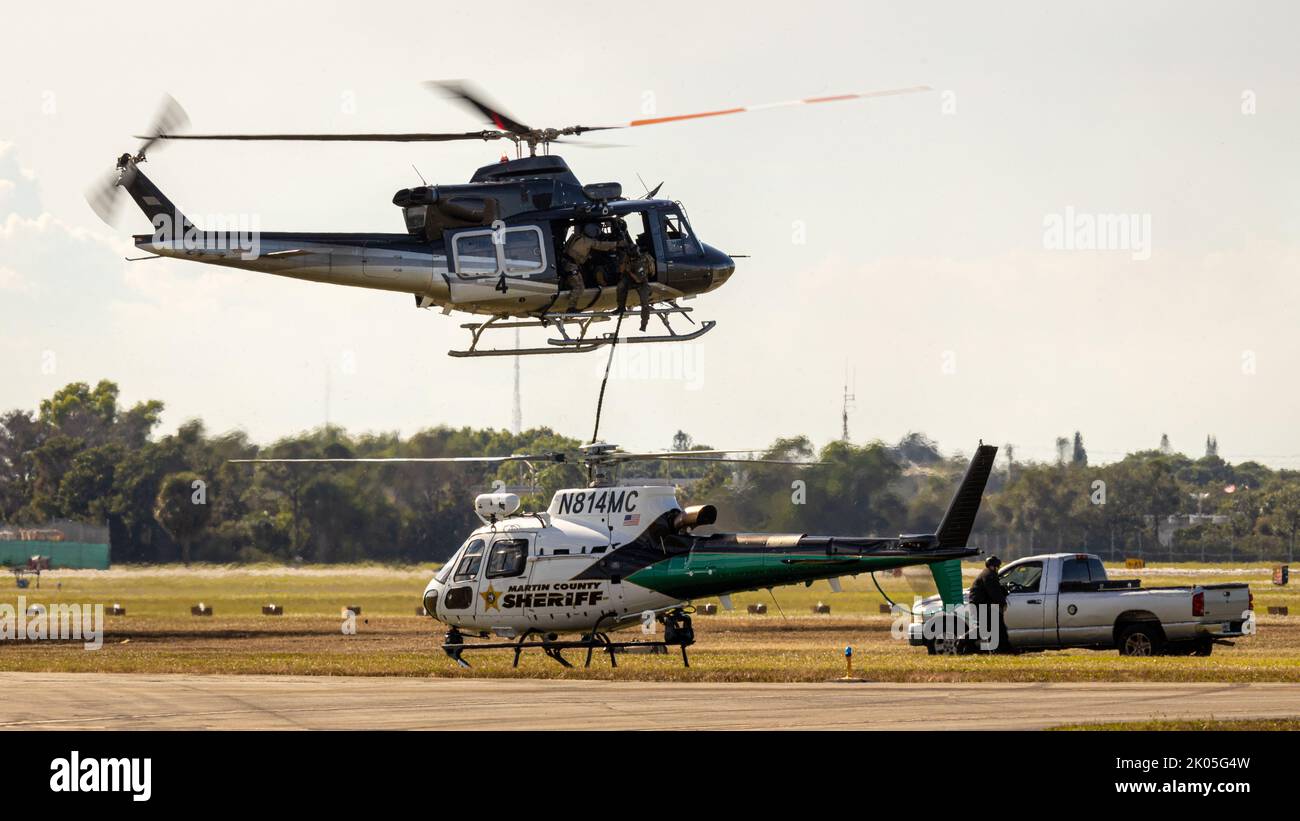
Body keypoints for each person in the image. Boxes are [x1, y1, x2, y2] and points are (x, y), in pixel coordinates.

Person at [561, 222, 619, 313]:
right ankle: (571, 308)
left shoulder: (575, 236)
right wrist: (617, 244)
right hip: (571, 266)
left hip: (565, 263)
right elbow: (601, 245)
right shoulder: (588, 241)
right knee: (579, 287)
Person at [969, 555, 1011, 653]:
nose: (998, 568)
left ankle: (1003, 649)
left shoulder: (987, 574)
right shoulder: (989, 575)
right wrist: (1002, 602)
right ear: (993, 566)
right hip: (981, 606)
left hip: (982, 605)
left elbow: (994, 589)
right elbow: (993, 592)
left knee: (997, 627)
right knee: (987, 628)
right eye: (997, 566)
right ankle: (963, 641)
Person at [615, 240, 653, 331]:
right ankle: (621, 307)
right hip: (631, 281)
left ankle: (644, 324)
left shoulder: (640, 262)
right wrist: (624, 263)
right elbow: (620, 271)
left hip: (641, 283)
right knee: (620, 286)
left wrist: (629, 271)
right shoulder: (627, 259)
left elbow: (639, 280)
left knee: (644, 304)